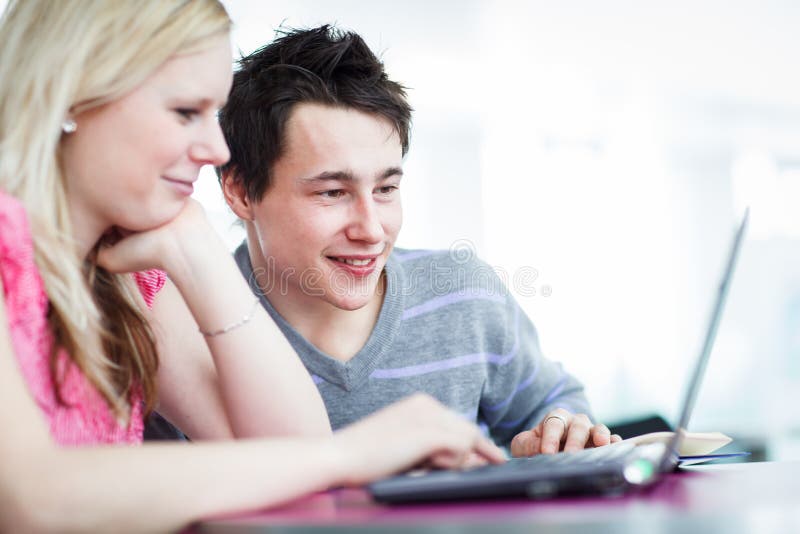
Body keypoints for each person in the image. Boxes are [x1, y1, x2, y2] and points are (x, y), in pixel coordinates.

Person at [0, 2, 505, 531]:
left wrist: (200, 253)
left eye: (213, 114)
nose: (216, 150)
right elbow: (28, 497)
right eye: (185, 112)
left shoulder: (127, 277)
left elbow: (292, 459)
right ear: (72, 95)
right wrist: (353, 453)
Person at [216, 25, 622, 458]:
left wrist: (558, 430)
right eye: (332, 192)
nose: (372, 230)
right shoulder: (186, 332)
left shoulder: (463, 295)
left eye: (386, 189)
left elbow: (555, 404)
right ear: (241, 192)